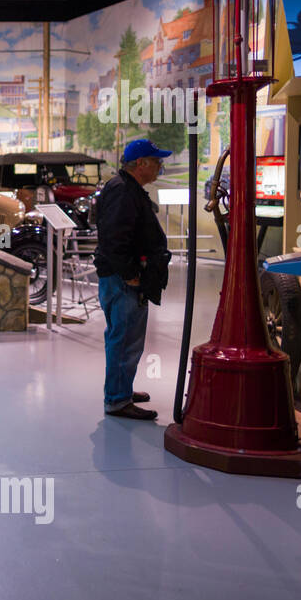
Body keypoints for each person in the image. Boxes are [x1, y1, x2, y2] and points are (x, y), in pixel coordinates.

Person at [93, 138, 173, 420]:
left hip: (124, 279)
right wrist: (130, 275)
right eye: (156, 162)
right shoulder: (123, 192)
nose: (160, 167)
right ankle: (117, 399)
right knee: (124, 339)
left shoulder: (128, 189)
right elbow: (115, 240)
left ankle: (121, 389)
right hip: (122, 281)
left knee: (125, 338)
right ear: (141, 164)